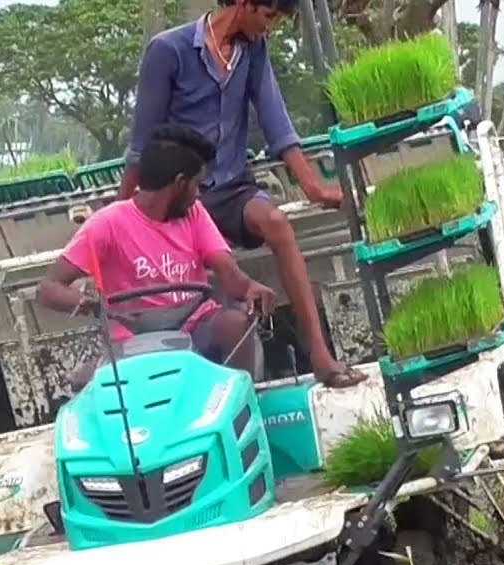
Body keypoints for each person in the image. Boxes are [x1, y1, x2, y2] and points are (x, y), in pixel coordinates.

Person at [118, 0, 368, 389]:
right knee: (212, 280)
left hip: (233, 185)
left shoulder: (252, 50)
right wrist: (123, 216)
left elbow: (276, 120)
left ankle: (320, 354)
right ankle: (213, 385)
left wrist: (314, 188)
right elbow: (141, 144)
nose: (269, 28)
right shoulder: (169, 51)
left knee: (276, 223)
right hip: (184, 197)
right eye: (267, 16)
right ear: (244, 4)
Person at [37, 124, 276, 389]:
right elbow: (48, 288)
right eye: (196, 184)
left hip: (195, 324)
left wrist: (250, 287)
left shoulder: (194, 214)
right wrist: (88, 304)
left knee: (235, 324)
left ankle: (242, 398)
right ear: (179, 183)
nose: (199, 194)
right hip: (132, 337)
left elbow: (228, 271)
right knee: (98, 381)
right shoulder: (107, 223)